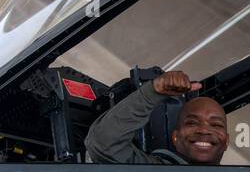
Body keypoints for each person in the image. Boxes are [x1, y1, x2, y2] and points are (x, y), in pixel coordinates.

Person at [86, 70, 228, 165]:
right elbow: (104, 144)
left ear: (227, 141)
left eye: (216, 125)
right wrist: (152, 93)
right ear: (175, 137)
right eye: (192, 123)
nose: (204, 130)